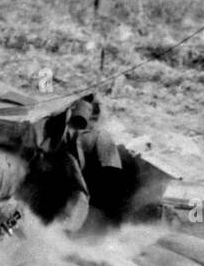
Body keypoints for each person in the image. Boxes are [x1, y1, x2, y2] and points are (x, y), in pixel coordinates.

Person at [20, 95, 130, 233]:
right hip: (50, 159)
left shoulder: (95, 137)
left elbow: (110, 172)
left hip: (66, 166)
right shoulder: (58, 127)